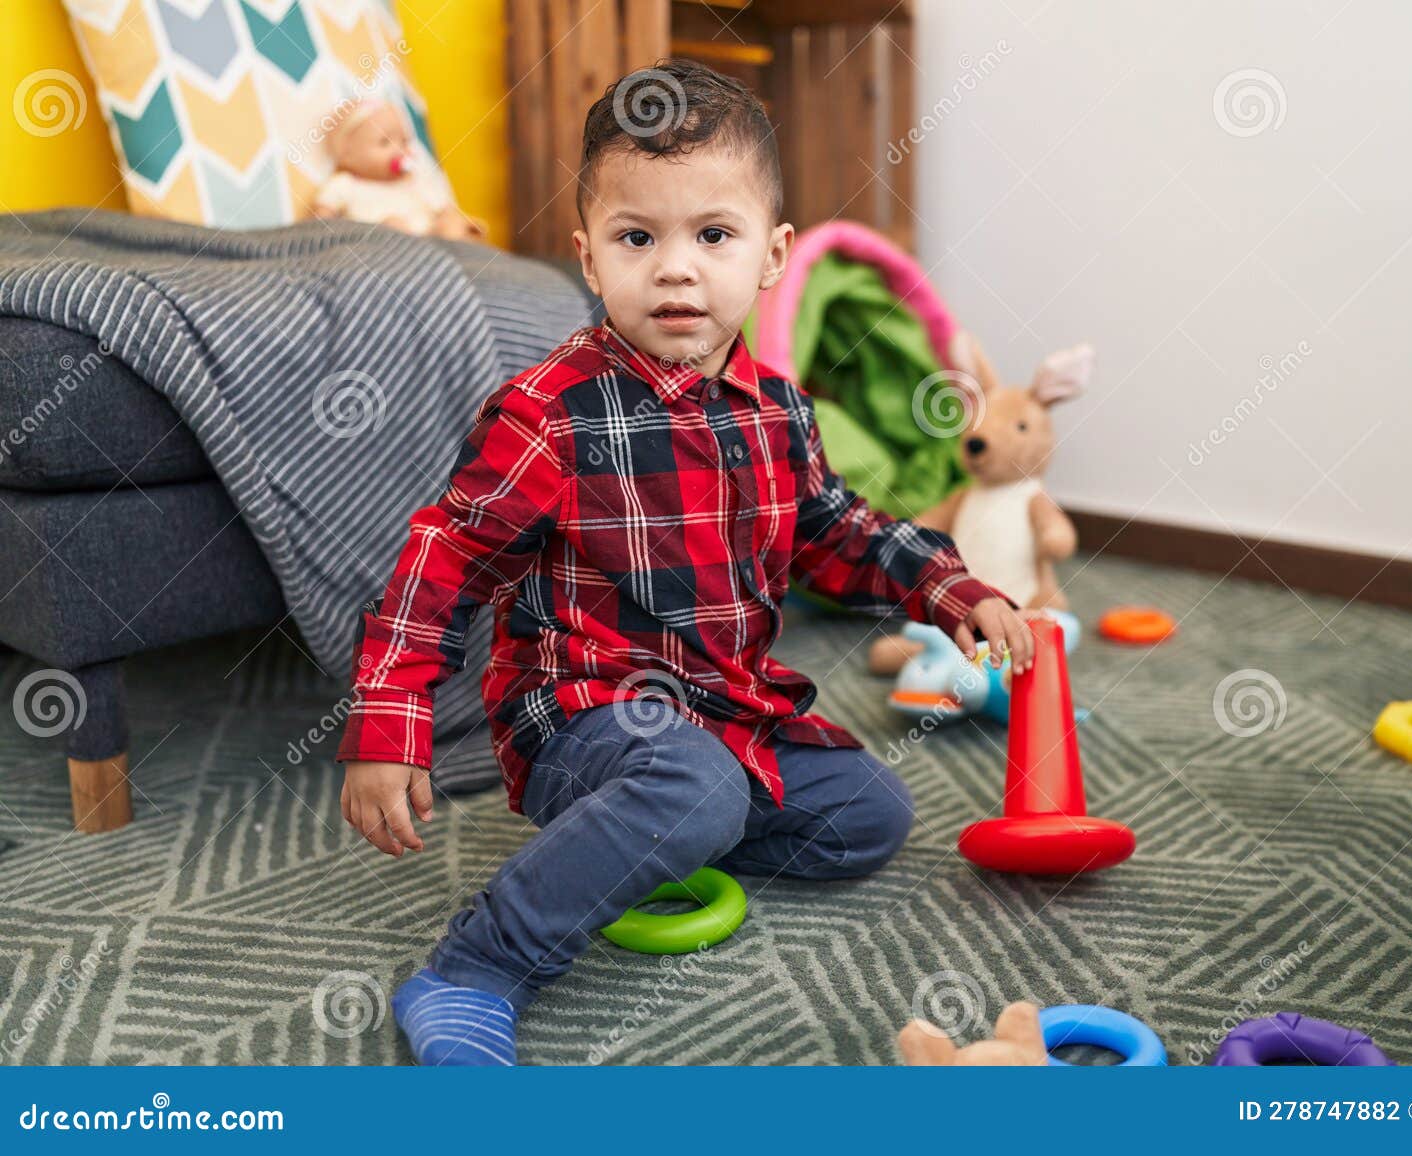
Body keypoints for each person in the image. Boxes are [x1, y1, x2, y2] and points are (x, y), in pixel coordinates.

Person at [335, 59, 1036, 1066]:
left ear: (770, 255)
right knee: (696, 788)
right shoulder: (551, 411)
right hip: (580, 712)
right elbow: (444, 558)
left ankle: (666, 821)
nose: (674, 268)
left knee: (867, 817)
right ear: (588, 258)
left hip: (724, 704)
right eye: (637, 238)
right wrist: (390, 718)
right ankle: (474, 965)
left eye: (712, 235)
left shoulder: (780, 409)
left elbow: (834, 530)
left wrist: (944, 582)